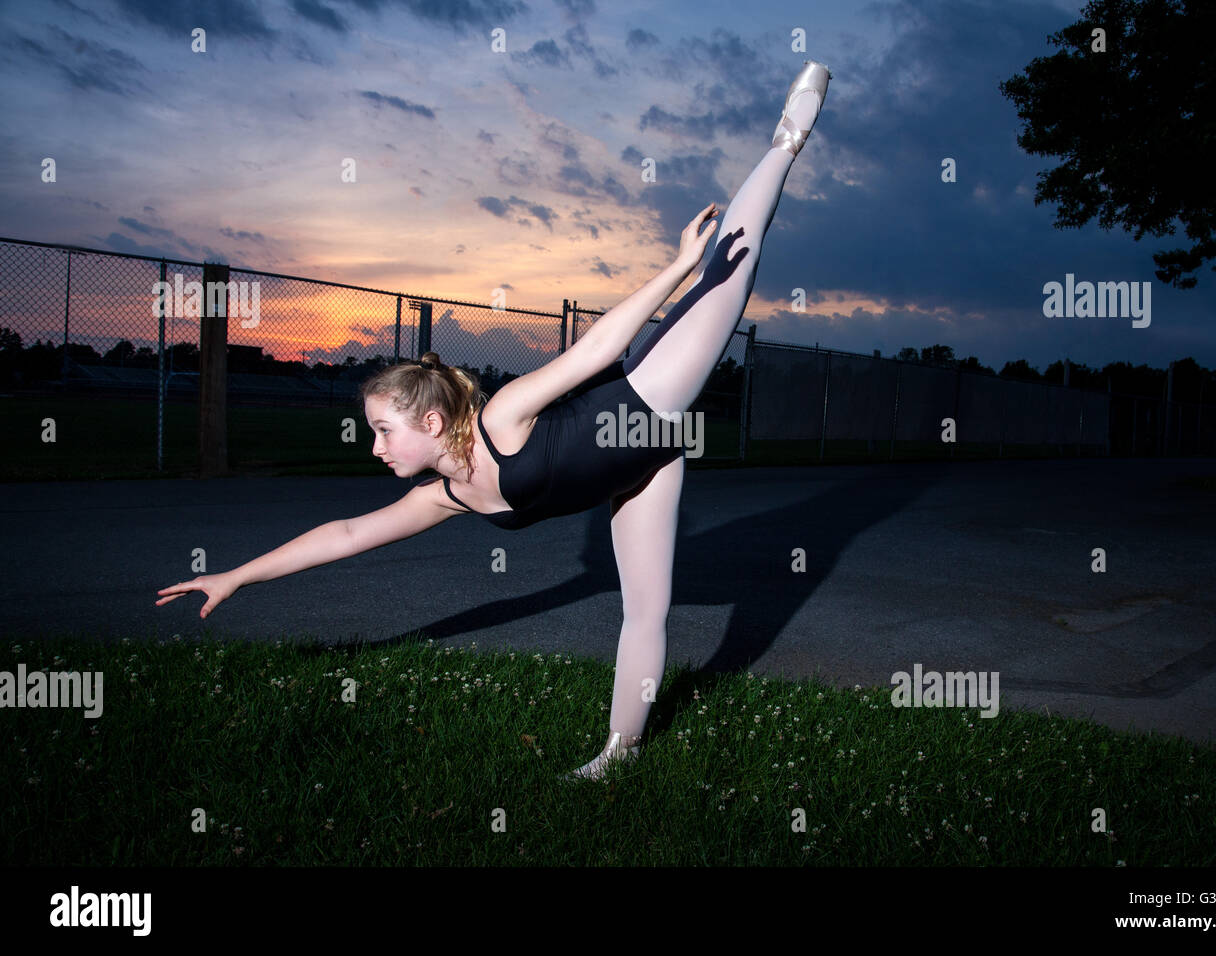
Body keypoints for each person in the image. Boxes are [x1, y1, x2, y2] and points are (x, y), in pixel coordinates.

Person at [156, 60, 832, 781]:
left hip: (647, 401)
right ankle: (619, 758)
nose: (375, 445)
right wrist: (235, 577)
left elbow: (599, 347)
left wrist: (675, 269)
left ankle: (785, 140)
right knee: (645, 613)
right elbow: (347, 535)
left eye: (386, 429)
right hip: (648, 465)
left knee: (724, 266)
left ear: (434, 417)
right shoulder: (442, 495)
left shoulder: (500, 420)